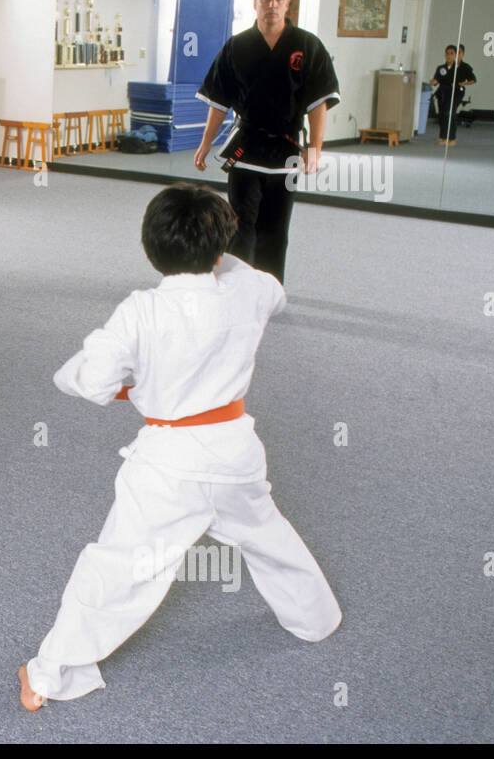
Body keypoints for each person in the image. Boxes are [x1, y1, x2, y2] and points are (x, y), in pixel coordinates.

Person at [19, 184, 341, 710]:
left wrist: (97, 378)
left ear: (150, 248)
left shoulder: (141, 309)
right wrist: (218, 253)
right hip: (236, 452)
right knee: (269, 538)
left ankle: (51, 676)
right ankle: (316, 620)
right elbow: (267, 288)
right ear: (220, 251)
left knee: (121, 566)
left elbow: (94, 383)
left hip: (169, 465)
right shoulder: (251, 290)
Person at [193, 0, 340, 284]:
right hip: (246, 148)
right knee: (241, 225)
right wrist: (205, 143)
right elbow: (219, 102)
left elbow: (317, 104)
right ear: (255, 3)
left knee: (276, 227)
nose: (271, 5)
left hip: (286, 151)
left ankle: (270, 287)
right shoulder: (237, 46)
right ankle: (239, 284)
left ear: (287, 4)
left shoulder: (307, 46)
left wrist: (315, 148)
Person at [430, 45, 475, 146]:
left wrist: (464, 83)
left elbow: (473, 80)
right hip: (443, 92)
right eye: (447, 53)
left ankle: (451, 137)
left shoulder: (461, 68)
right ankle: (442, 136)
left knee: (449, 112)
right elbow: (436, 80)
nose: (449, 56)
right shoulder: (441, 68)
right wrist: (433, 82)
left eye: (451, 54)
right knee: (442, 113)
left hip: (456, 92)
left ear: (456, 55)